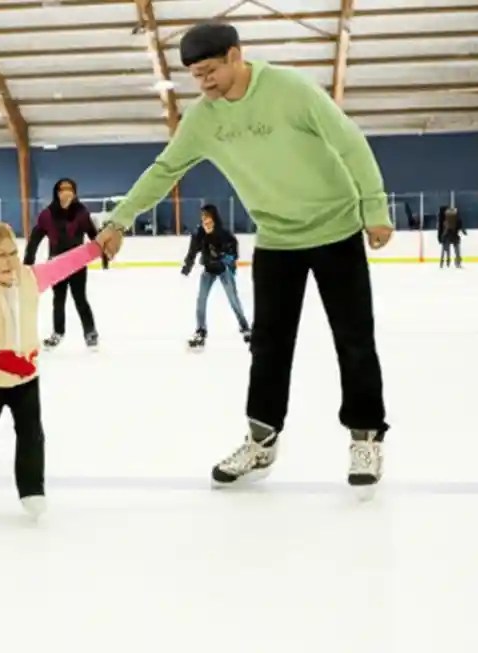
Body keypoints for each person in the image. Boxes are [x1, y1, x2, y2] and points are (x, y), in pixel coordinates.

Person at [96, 21, 392, 500]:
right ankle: (261, 441)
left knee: (354, 339)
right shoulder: (203, 119)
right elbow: (165, 168)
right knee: (269, 346)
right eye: (195, 75)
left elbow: (349, 141)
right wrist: (119, 221)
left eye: (210, 70)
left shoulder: (290, 90)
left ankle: (366, 438)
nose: (205, 82)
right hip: (276, 237)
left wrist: (373, 207)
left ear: (236, 56)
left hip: (337, 229)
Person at [0, 220, 107, 519]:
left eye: (13, 252)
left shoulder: (27, 279)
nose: (9, 261)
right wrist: (8, 361)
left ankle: (32, 489)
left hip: (26, 379)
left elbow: (64, 264)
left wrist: (96, 248)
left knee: (32, 437)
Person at [24, 178, 100, 350]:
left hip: (77, 263)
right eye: (62, 189)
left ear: (75, 192)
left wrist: (104, 253)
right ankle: (58, 333)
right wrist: (28, 262)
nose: (66, 192)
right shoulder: (48, 214)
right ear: (56, 193)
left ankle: (90, 333)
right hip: (56, 265)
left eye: (69, 189)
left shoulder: (81, 213)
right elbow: (35, 238)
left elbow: (93, 235)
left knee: (80, 298)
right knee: (58, 300)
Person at [182, 204, 250, 349]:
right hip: (208, 270)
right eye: (203, 219)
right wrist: (187, 266)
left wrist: (228, 259)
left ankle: (245, 327)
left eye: (208, 219)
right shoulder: (199, 235)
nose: (205, 222)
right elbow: (192, 251)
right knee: (201, 300)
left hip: (223, 270)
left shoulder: (223, 234)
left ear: (214, 219)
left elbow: (234, 248)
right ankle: (201, 330)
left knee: (233, 300)